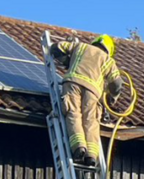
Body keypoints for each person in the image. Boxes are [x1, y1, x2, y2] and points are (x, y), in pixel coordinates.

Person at [49, 34, 125, 165]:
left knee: (73, 113)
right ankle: (91, 154)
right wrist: (112, 97)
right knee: (91, 121)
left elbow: (56, 48)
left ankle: (78, 146)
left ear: (95, 42)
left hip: (72, 83)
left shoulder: (80, 46)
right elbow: (117, 84)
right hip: (93, 91)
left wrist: (67, 61)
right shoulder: (108, 60)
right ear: (109, 50)